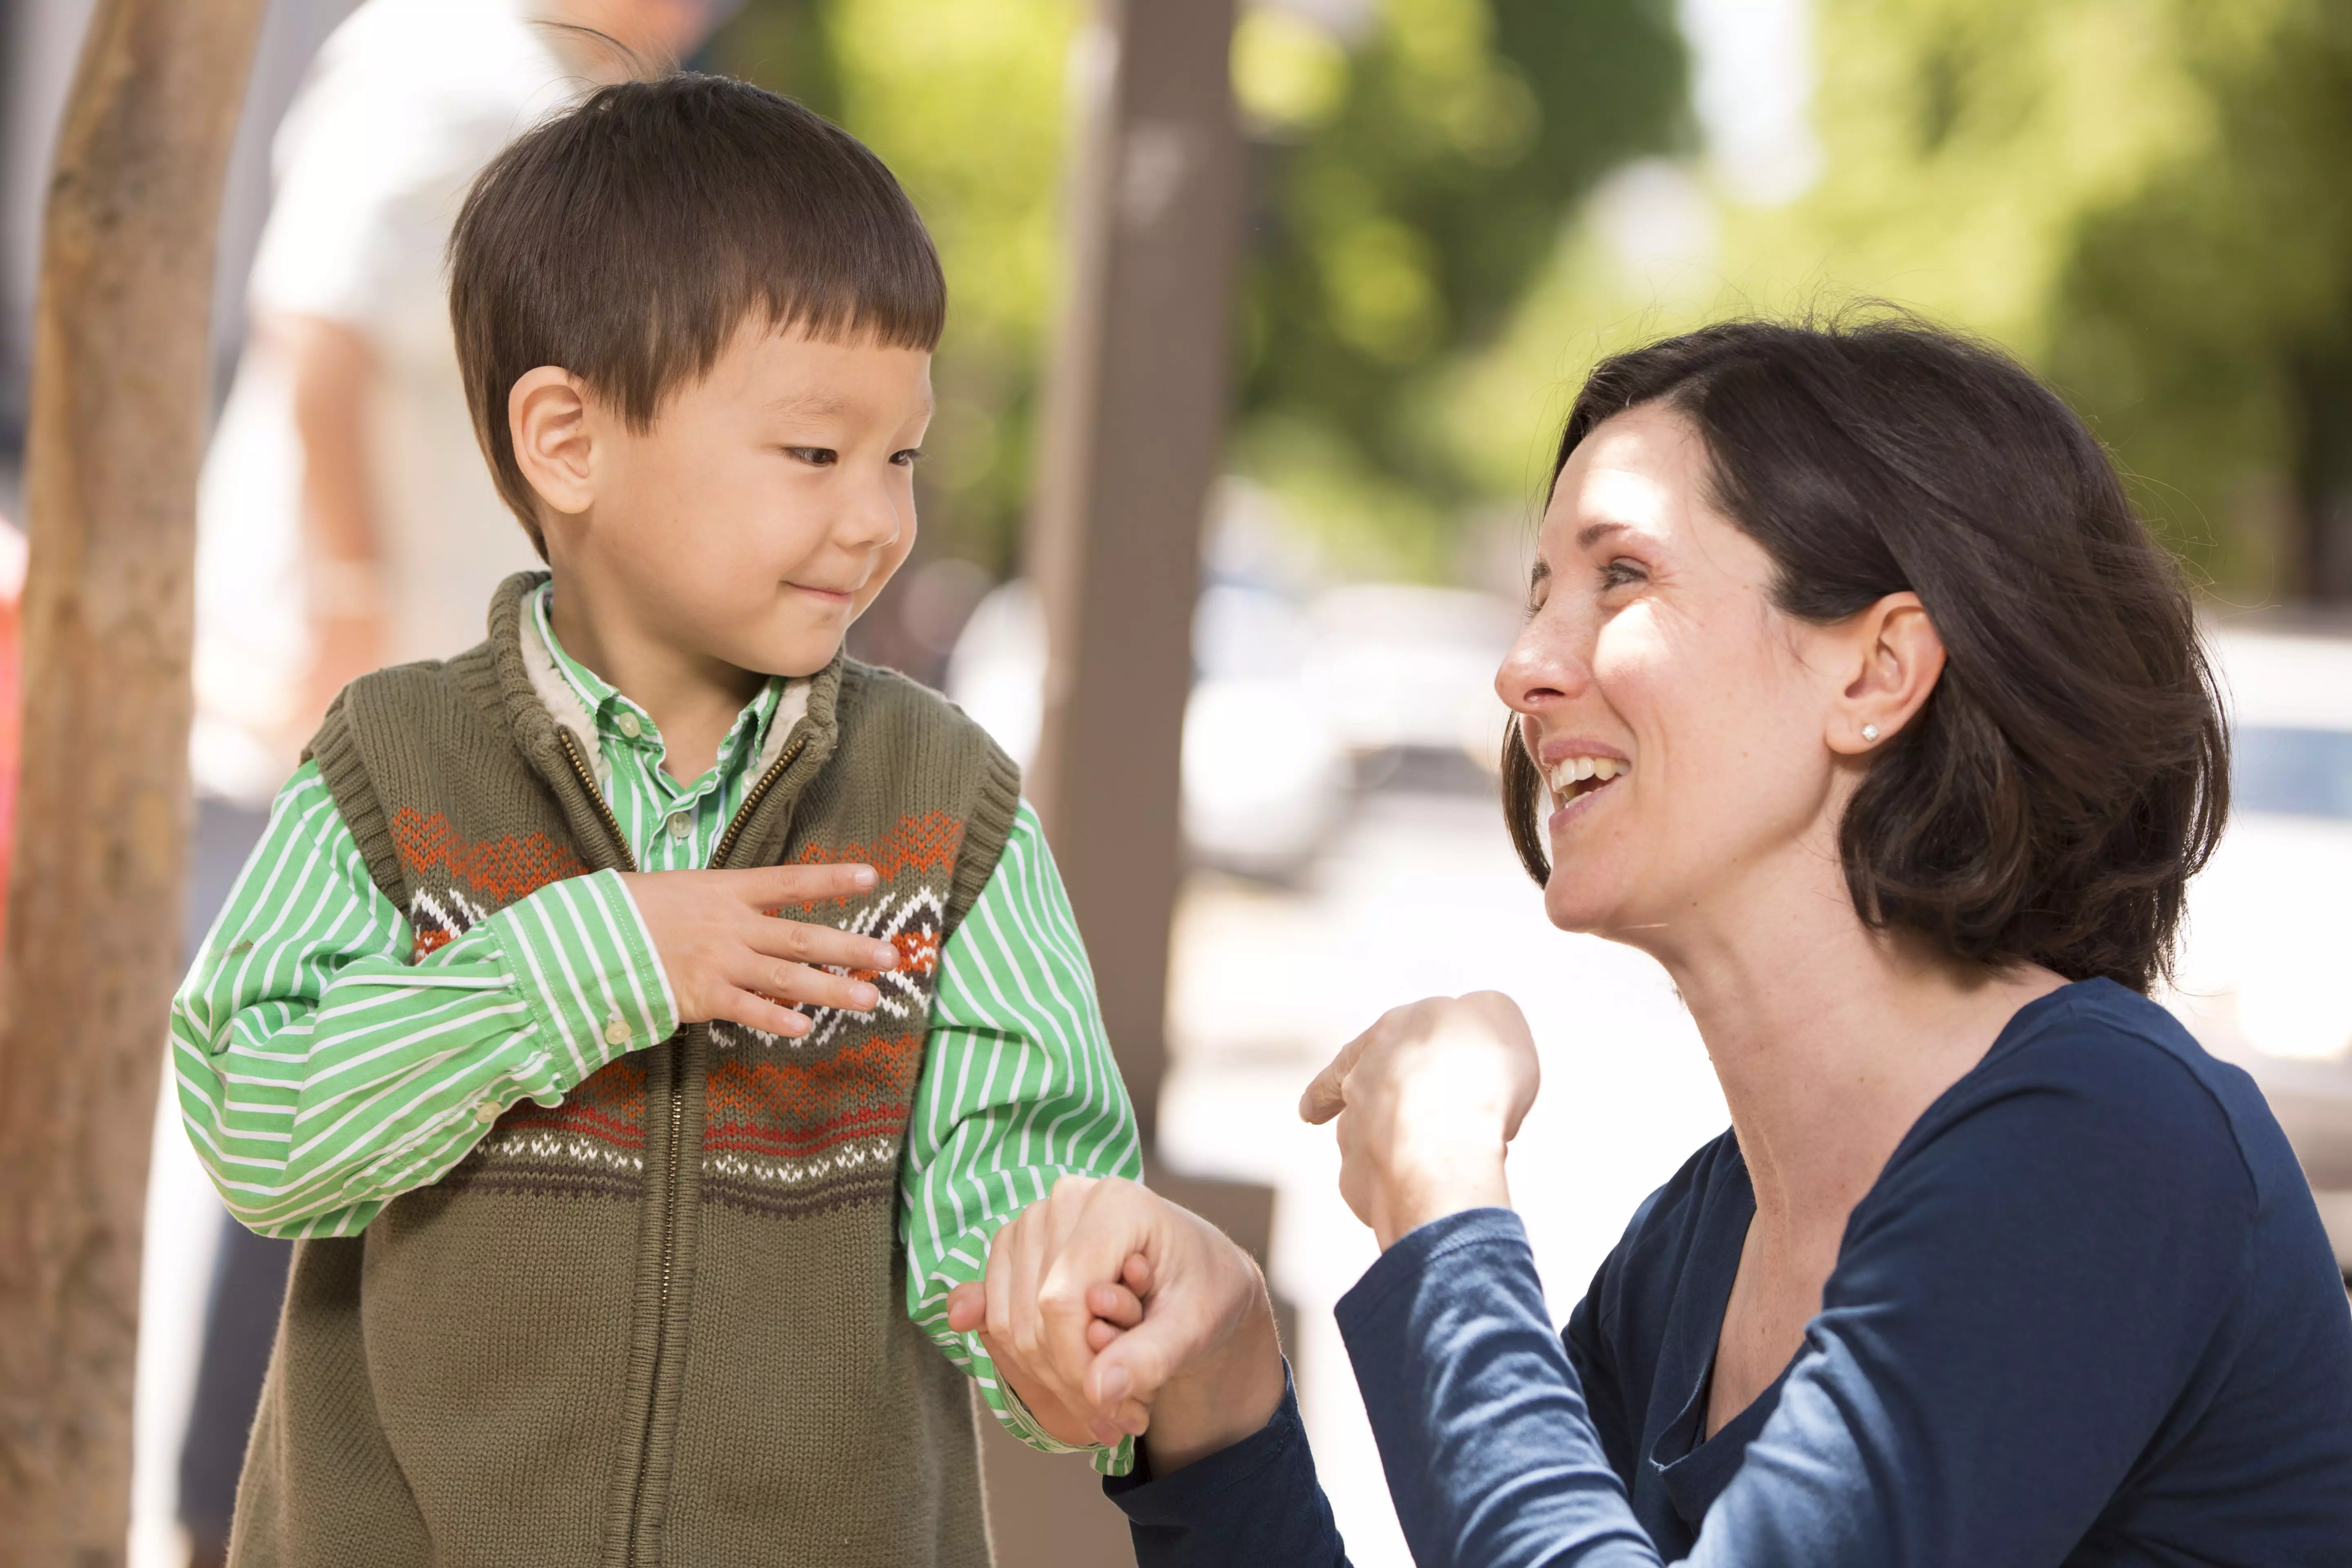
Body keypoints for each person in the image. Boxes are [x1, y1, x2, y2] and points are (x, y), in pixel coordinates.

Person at [952, 317, 2352, 1565]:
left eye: (1621, 577)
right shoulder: (1709, 1235)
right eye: (1537, 591)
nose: (1522, 666)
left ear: (1874, 672)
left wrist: (1446, 1203)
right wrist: (1223, 1398)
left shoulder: (2104, 1140)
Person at [171, 76, 1140, 1566]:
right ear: (568, 439)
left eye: (903, 457)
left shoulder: (945, 812)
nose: (881, 517)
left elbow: (1019, 1182)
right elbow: (260, 1122)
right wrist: (589, 960)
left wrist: (1068, 1326)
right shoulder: (394, 764)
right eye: (817, 455)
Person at [175, 8, 732, 1560]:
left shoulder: (593, 99)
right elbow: (317, 323)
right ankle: (223, 1507)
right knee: (308, 1114)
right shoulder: (449, 57)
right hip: (344, 707)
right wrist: (348, 615)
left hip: (471, 737)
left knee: (420, 1126)